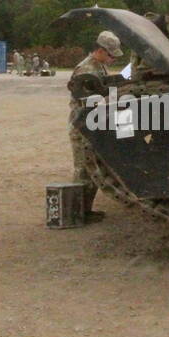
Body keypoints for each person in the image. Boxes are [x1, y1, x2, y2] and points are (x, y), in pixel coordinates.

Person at [67, 31, 123, 222]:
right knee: (83, 171)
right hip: (83, 126)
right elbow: (88, 101)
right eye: (111, 55)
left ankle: (85, 211)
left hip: (91, 124)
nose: (113, 58)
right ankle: (77, 214)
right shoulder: (86, 70)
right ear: (100, 50)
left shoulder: (98, 66)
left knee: (92, 172)